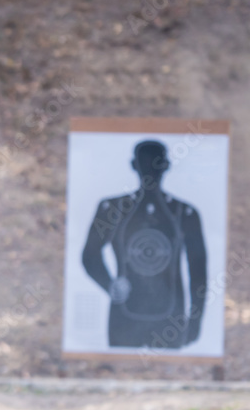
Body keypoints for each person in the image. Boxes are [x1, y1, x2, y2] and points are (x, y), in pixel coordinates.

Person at [81, 139, 207, 349]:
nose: (150, 169)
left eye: (155, 163)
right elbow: (90, 255)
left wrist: (195, 321)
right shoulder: (113, 208)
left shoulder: (184, 212)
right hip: (125, 317)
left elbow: (198, 270)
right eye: (145, 163)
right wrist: (109, 284)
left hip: (170, 318)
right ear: (134, 165)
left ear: (166, 166)